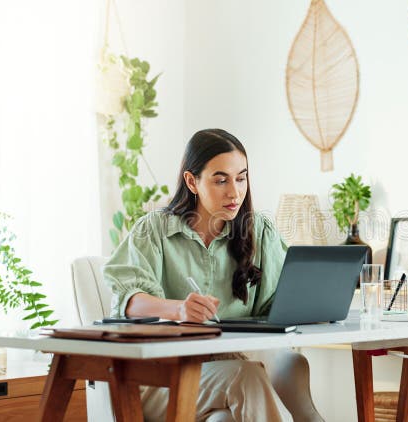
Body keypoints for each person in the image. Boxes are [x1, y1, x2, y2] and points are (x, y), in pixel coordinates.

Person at [103, 129, 319, 422]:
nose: (234, 192)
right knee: (247, 378)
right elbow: (129, 301)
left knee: (238, 393)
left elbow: (280, 305)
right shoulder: (153, 230)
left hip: (223, 372)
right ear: (192, 181)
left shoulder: (260, 233)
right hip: (161, 379)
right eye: (221, 180)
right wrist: (178, 309)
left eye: (241, 178)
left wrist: (312, 302)